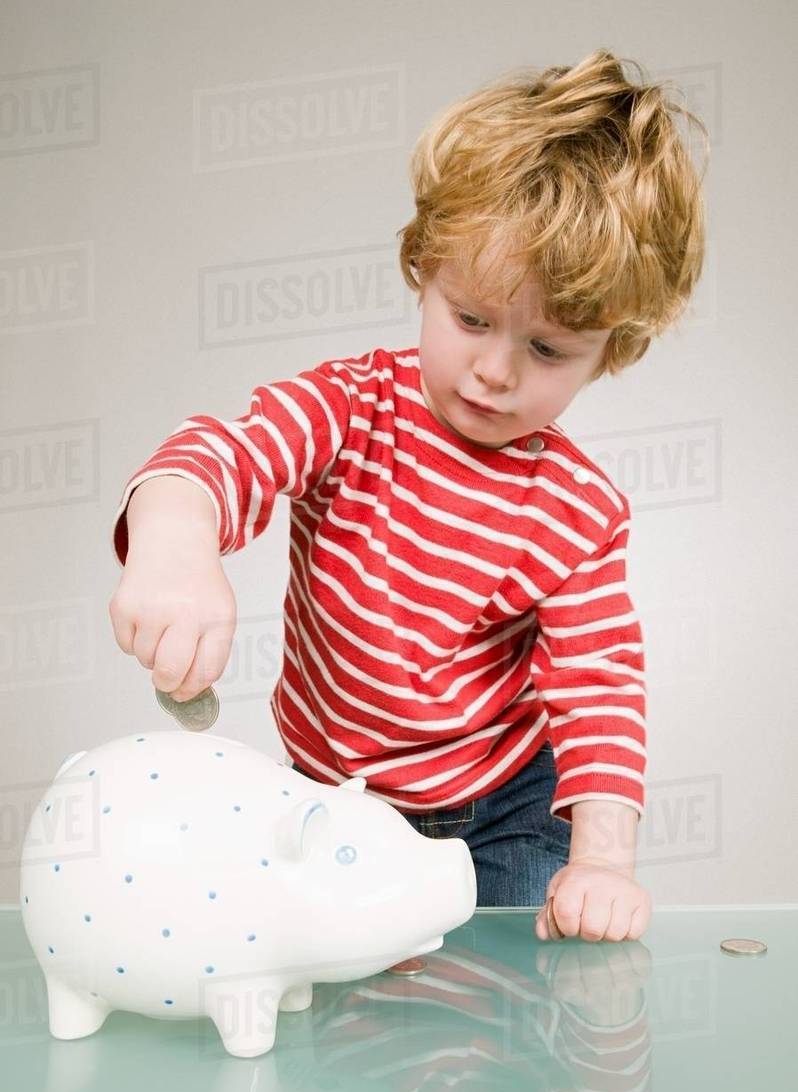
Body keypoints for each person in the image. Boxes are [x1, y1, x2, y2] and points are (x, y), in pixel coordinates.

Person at [108, 48, 709, 942]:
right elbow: (222, 456)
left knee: (517, 1002)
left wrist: (603, 863)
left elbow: (598, 684)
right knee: (337, 994)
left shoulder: (578, 511)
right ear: (424, 267)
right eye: (471, 318)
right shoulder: (350, 409)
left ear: (611, 352)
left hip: (506, 812)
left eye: (548, 349)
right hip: (335, 800)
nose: (495, 371)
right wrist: (173, 541)